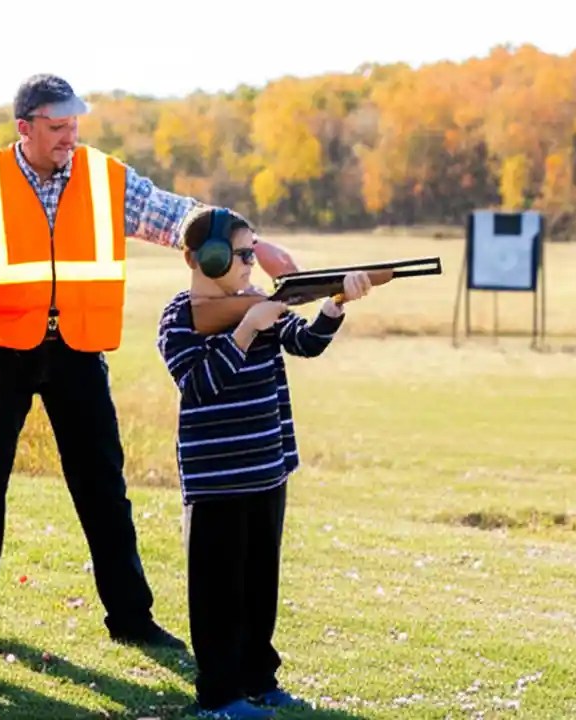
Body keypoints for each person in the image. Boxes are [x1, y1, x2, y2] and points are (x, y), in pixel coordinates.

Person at [0, 73, 302, 648]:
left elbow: (172, 213)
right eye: (57, 127)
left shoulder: (107, 177)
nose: (69, 136)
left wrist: (256, 245)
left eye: (74, 124)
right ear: (24, 127)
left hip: (79, 351)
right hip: (2, 353)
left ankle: (131, 618)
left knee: (104, 487)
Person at [156, 206, 371, 719]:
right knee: (217, 592)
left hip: (266, 469)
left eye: (254, 252)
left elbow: (305, 343)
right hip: (216, 480)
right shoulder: (181, 317)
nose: (253, 263)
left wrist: (335, 305)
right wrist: (247, 329)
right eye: (241, 254)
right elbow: (200, 385)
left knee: (259, 585)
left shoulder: (256, 303)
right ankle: (220, 695)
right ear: (199, 258)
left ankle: (259, 678)